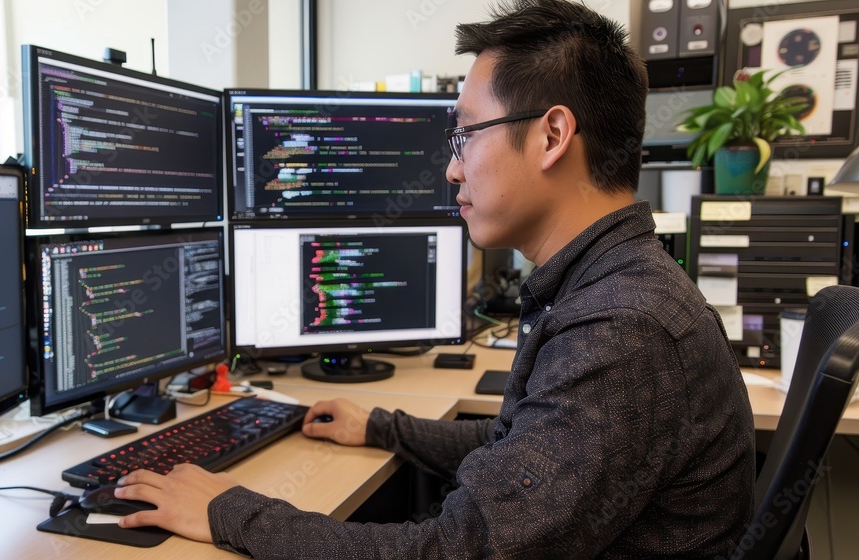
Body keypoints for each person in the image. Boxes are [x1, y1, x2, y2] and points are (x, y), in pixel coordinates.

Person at [115, 1, 756, 557]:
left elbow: (454, 550)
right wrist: (382, 428)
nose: (452, 171)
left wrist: (230, 510)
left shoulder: (621, 329)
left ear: (553, 135)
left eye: (465, 136)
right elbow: (521, 454)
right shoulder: (612, 286)